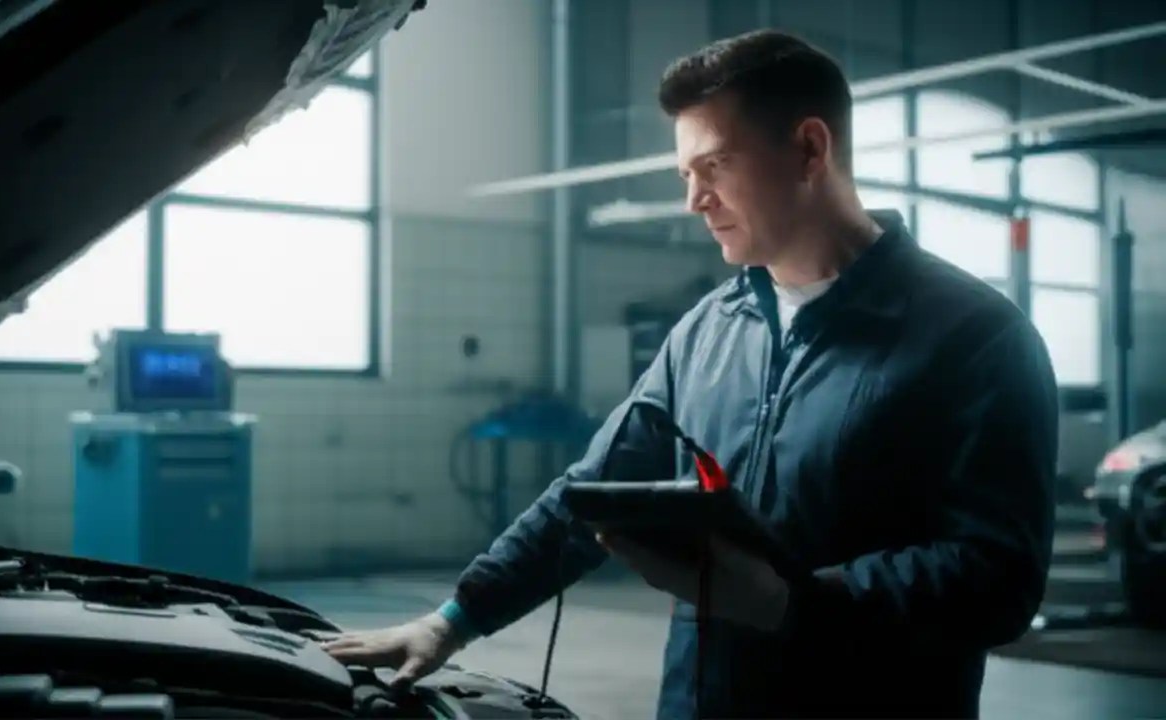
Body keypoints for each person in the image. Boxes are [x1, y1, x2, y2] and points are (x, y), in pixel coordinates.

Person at [322, 29, 1058, 718]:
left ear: (808, 148)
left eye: (714, 166)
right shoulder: (707, 332)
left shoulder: (975, 338)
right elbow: (588, 497)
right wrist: (454, 620)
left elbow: (997, 577)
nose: (693, 200)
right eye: (685, 173)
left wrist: (790, 603)